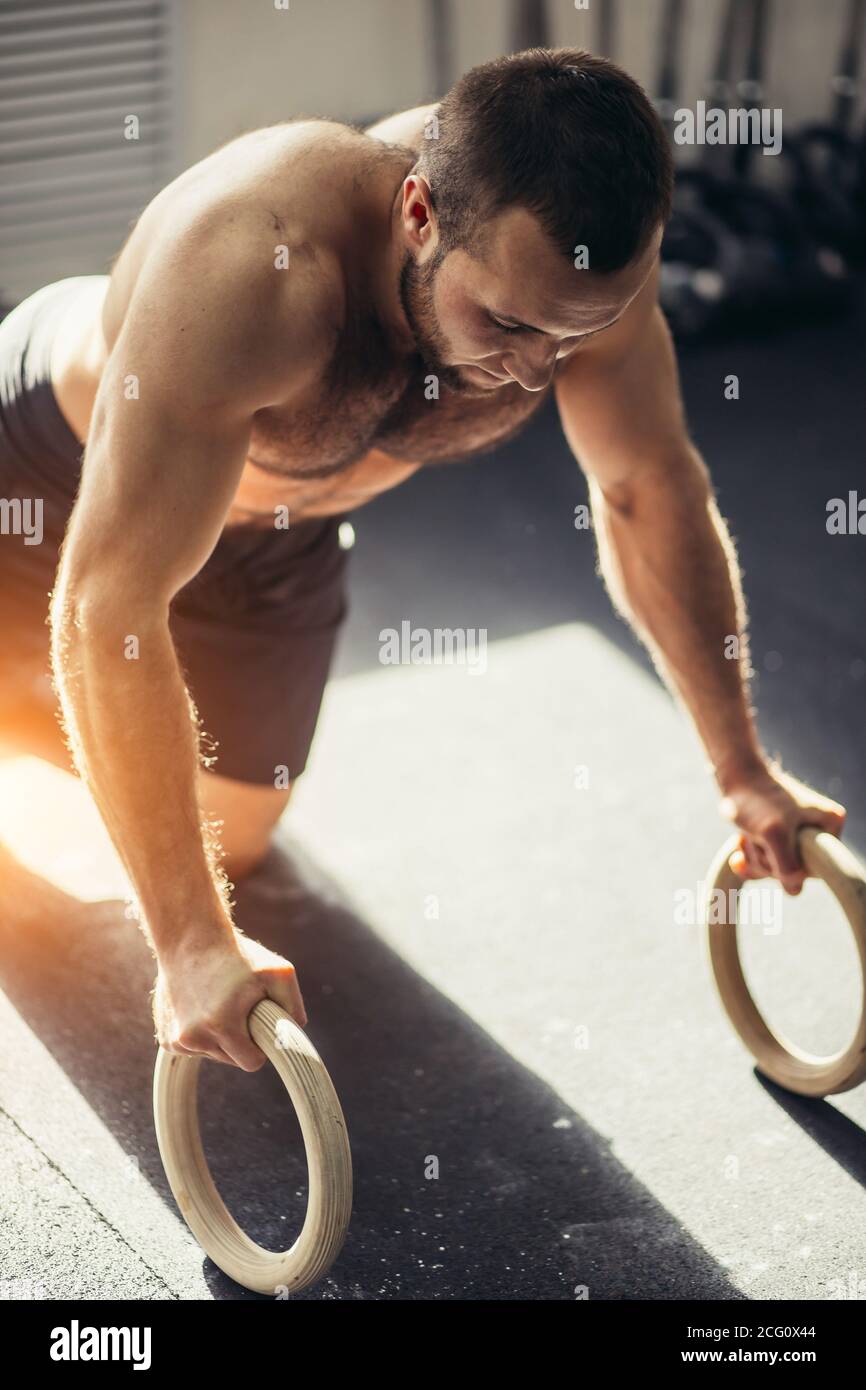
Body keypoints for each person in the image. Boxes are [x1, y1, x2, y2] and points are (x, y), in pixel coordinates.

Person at [0, 47, 845, 1071]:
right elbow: (108, 604)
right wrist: (186, 943)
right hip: (56, 474)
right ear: (416, 214)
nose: (534, 371)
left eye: (568, 338)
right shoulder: (253, 260)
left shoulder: (583, 276)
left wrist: (740, 769)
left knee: (235, 841)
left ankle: (74, 719)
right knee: (129, 830)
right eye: (507, 324)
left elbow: (644, 489)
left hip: (276, 537)